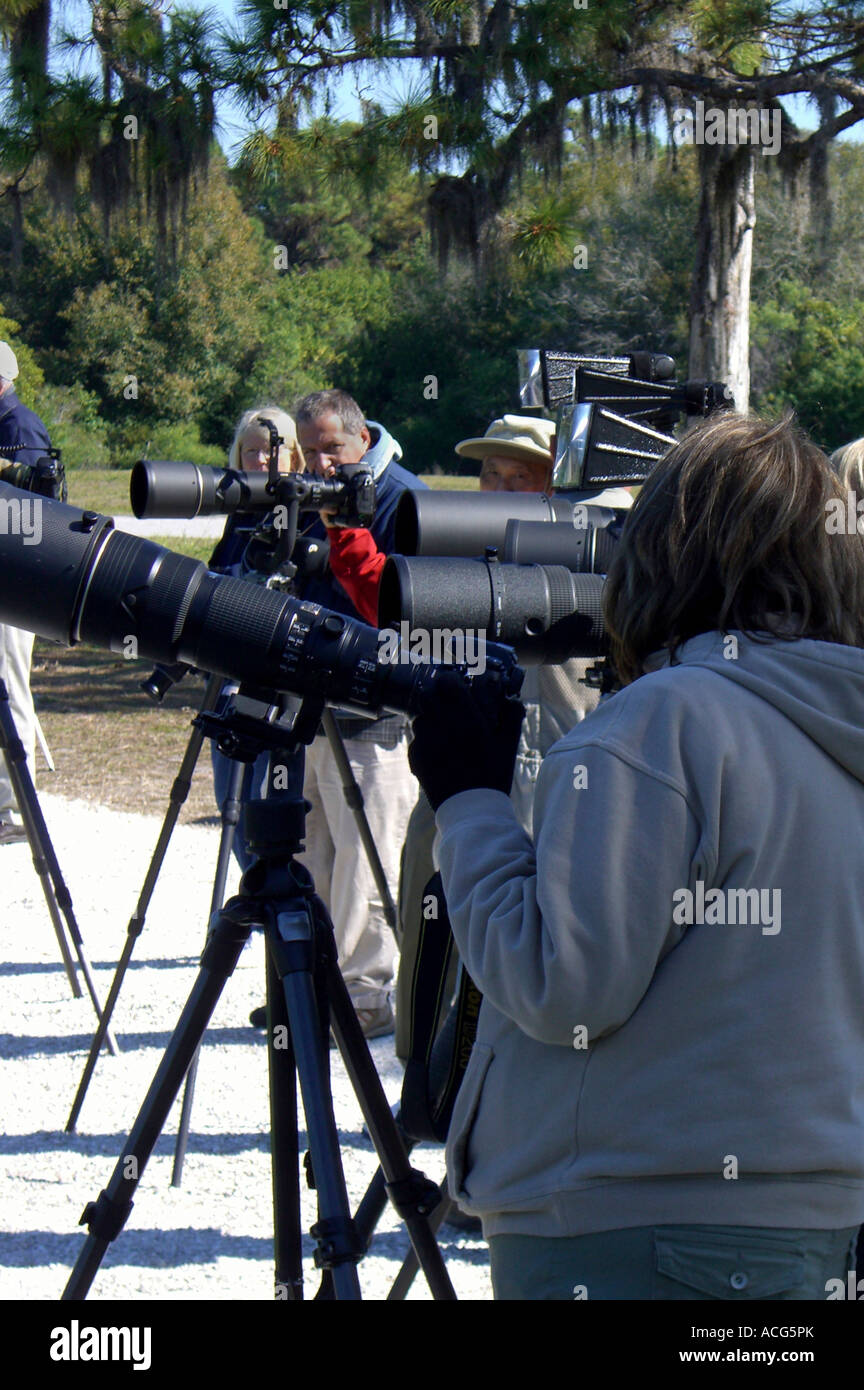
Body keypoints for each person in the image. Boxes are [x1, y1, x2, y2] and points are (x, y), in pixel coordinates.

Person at [409, 410, 864, 1300]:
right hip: (815, 1225)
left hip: (632, 1229)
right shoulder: (836, 716)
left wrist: (468, 799)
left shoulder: (666, 722)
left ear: (663, 551)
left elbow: (563, 983)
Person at [293, 389, 426, 1040]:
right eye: (309, 450)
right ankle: (313, 987)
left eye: (331, 449)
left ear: (363, 440)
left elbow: (406, 606)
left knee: (369, 857)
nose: (319, 463)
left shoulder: (402, 497)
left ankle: (366, 998)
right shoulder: (305, 496)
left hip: (377, 708)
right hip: (313, 703)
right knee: (314, 852)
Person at [209, 407, 307, 873]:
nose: (260, 462)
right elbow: (216, 576)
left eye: (272, 451)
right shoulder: (238, 513)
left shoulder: (305, 514)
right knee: (228, 802)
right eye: (250, 452)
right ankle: (245, 907)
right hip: (230, 669)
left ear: (295, 457)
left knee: (263, 807)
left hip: (280, 678)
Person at [0, 340, 52, 845]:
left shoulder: (19, 427)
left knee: (10, 685)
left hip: (14, 580)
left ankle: (17, 808)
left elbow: (35, 515)